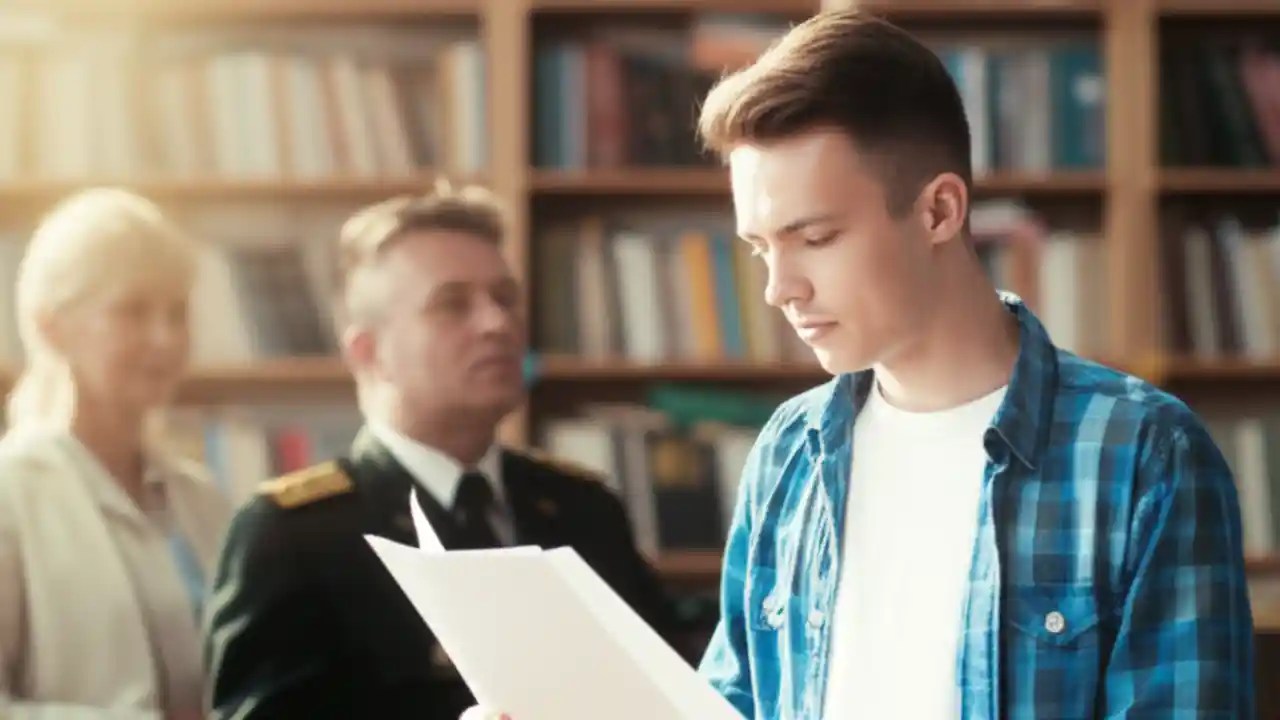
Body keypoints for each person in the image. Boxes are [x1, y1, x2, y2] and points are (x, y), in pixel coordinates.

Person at [466, 8, 1257, 720]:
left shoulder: (1144, 454)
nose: (780, 288)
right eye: (759, 248)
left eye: (815, 238)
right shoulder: (788, 453)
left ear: (939, 210)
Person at [203, 181, 678, 720]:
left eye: (505, 298)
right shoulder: (295, 534)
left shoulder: (583, 509)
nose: (497, 324)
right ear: (371, 352)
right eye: (452, 305)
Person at [0, 188, 232, 719]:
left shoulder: (201, 498)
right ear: (49, 326)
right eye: (133, 311)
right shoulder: (10, 492)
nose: (165, 339)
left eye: (178, 313)